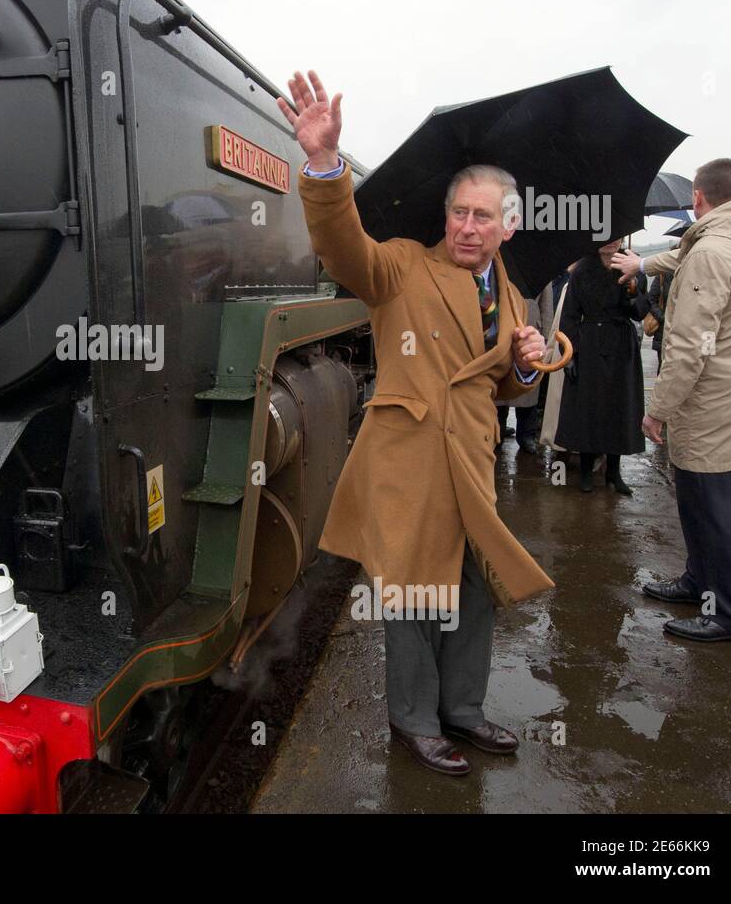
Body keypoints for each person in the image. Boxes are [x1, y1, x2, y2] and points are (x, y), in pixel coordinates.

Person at [277, 71, 553, 777]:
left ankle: (463, 709)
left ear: (509, 224)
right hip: (410, 462)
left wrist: (528, 361)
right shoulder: (402, 267)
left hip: (472, 462)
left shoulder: (514, 294)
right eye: (458, 212)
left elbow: (510, 392)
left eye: (482, 217)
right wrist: (322, 166)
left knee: (473, 588)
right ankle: (416, 721)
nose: (466, 227)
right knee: (414, 595)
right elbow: (344, 249)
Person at [610, 158, 731, 643]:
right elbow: (686, 255)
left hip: (713, 401)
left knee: (711, 511)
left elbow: (691, 344)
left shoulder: (711, 254)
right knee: (714, 506)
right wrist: (644, 263)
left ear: (698, 198)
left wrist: (658, 410)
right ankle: (700, 582)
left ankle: (730, 613)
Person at [553, 242, 651, 494]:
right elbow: (570, 316)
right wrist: (570, 354)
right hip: (590, 345)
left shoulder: (632, 266)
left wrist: (632, 293)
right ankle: (586, 471)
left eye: (617, 238)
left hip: (621, 346)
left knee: (619, 408)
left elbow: (641, 312)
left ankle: (613, 474)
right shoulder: (582, 270)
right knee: (589, 408)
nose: (612, 242)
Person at [496, 284, 554, 454]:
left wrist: (547, 336)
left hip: (531, 329)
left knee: (529, 392)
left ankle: (526, 435)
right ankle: (497, 431)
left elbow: (547, 306)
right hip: (502, 328)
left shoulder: (540, 265)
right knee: (499, 383)